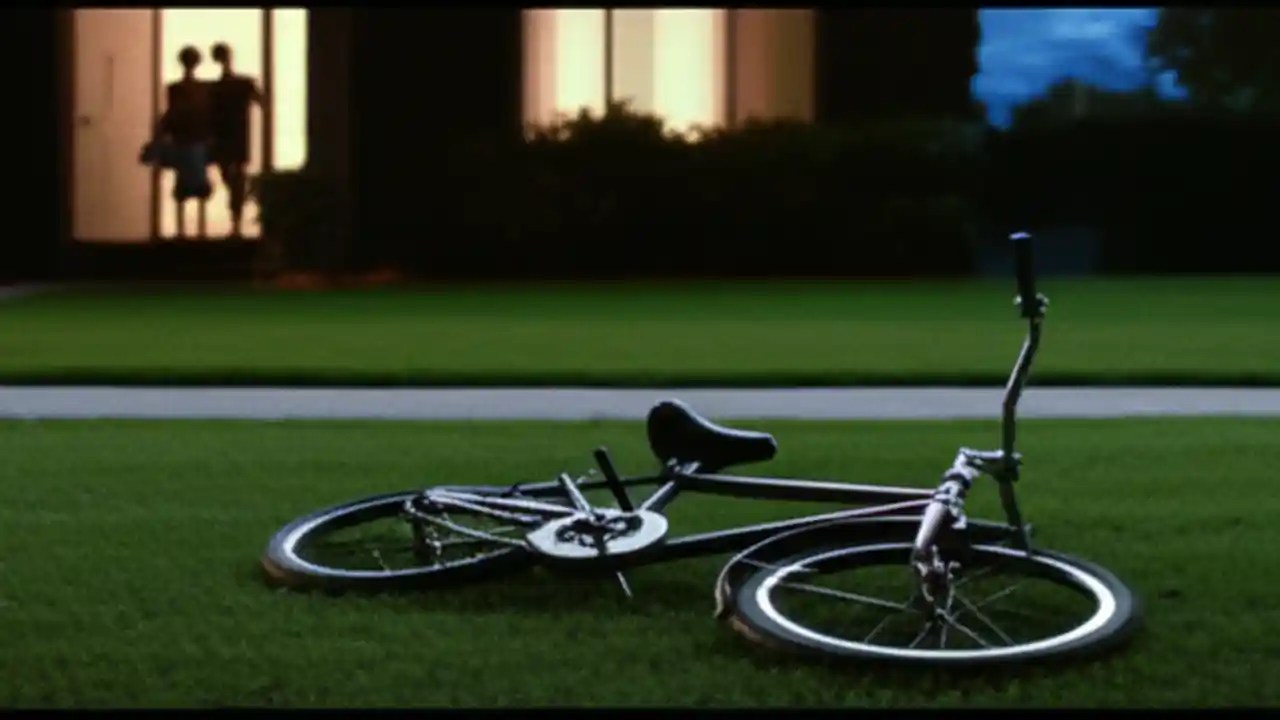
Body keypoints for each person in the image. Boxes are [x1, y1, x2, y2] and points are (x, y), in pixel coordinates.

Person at [152, 45, 214, 239]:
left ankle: (182, 229)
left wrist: (162, 134)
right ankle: (200, 227)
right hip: (196, 138)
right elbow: (206, 114)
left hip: (183, 138)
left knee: (184, 182)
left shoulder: (175, 88)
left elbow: (172, 113)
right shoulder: (203, 89)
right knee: (198, 180)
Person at [209, 42, 265, 239]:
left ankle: (236, 218)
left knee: (232, 177)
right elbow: (261, 100)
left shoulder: (217, 88)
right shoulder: (241, 84)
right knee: (235, 177)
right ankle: (237, 216)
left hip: (226, 137)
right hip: (237, 135)